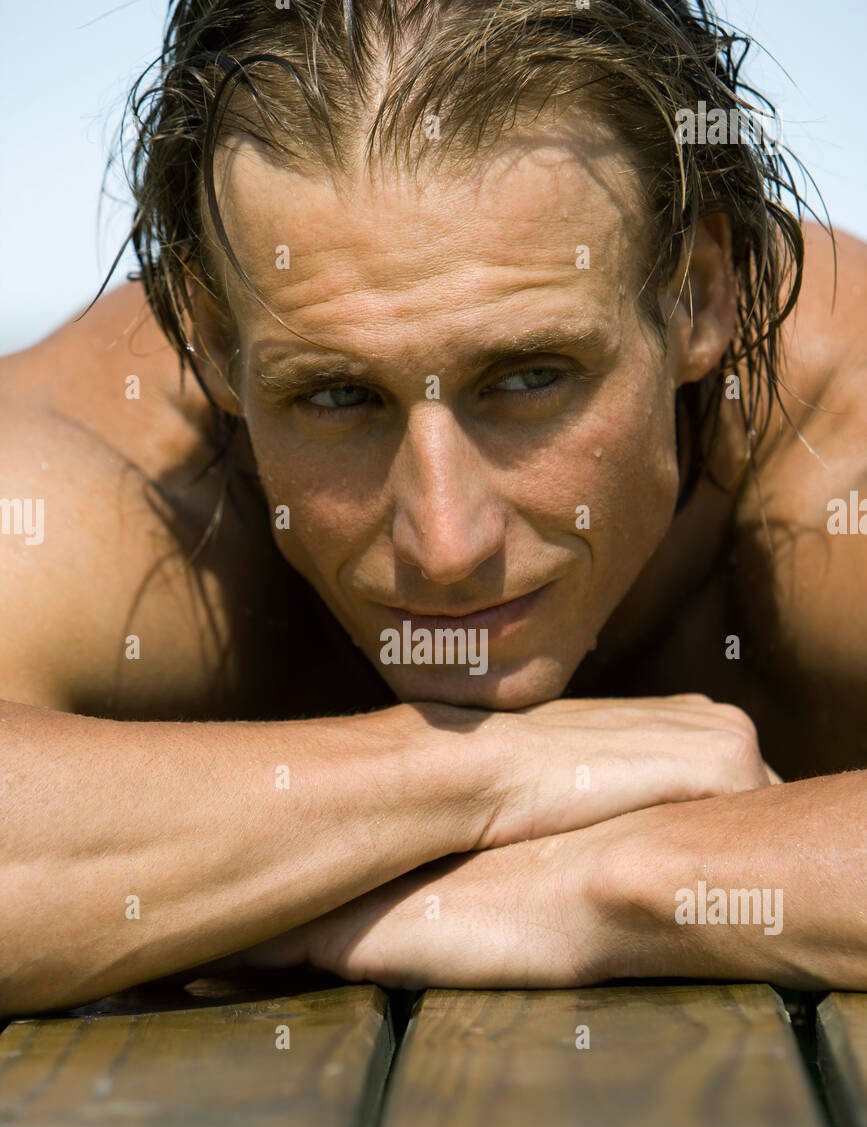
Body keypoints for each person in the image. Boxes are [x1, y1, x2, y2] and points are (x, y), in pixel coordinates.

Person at [0, 0, 864, 1013]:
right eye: (336, 397)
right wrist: (476, 776)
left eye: (531, 377)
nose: (446, 545)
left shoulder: (834, 467)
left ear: (698, 296)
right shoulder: (113, 474)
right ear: (210, 343)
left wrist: (607, 883)